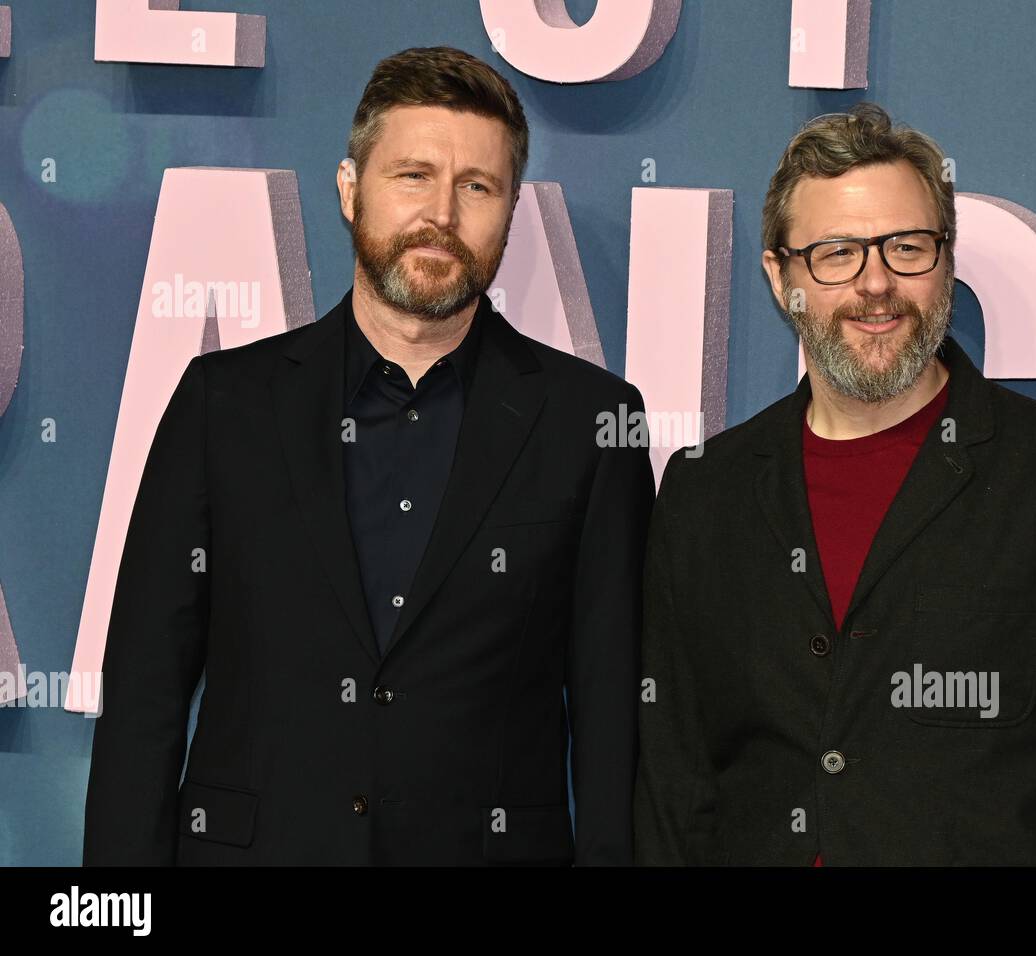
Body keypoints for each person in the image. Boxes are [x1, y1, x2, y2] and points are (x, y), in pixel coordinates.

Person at [84, 46, 653, 865]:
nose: (442, 216)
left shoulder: (592, 423)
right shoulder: (224, 404)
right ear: (351, 191)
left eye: (477, 187)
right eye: (413, 176)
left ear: (512, 211)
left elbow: (612, 722)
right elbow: (145, 692)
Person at [634, 102, 1036, 866]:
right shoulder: (707, 491)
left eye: (907, 247)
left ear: (947, 260)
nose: (877, 284)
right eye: (837, 253)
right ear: (781, 278)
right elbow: (675, 780)